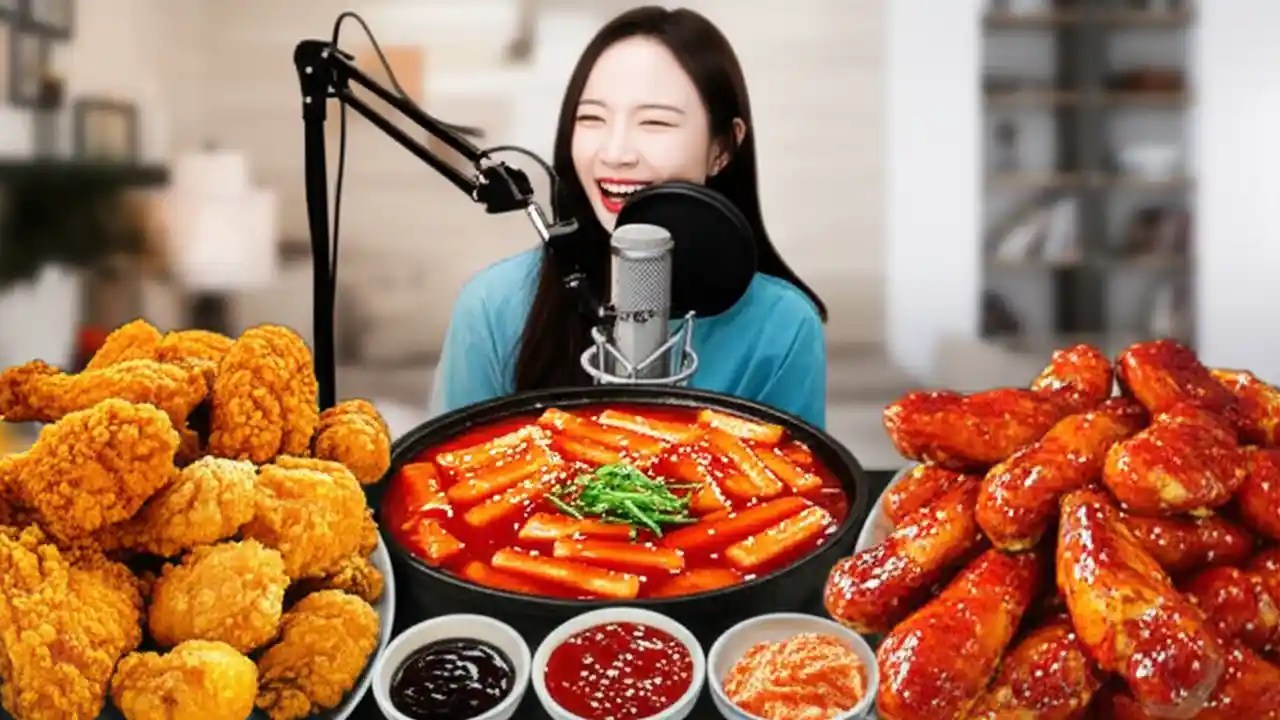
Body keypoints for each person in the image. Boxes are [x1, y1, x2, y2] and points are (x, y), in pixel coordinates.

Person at [429, 6, 829, 427]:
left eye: (655, 122)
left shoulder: (783, 326)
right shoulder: (493, 305)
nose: (615, 153)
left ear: (723, 148)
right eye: (592, 118)